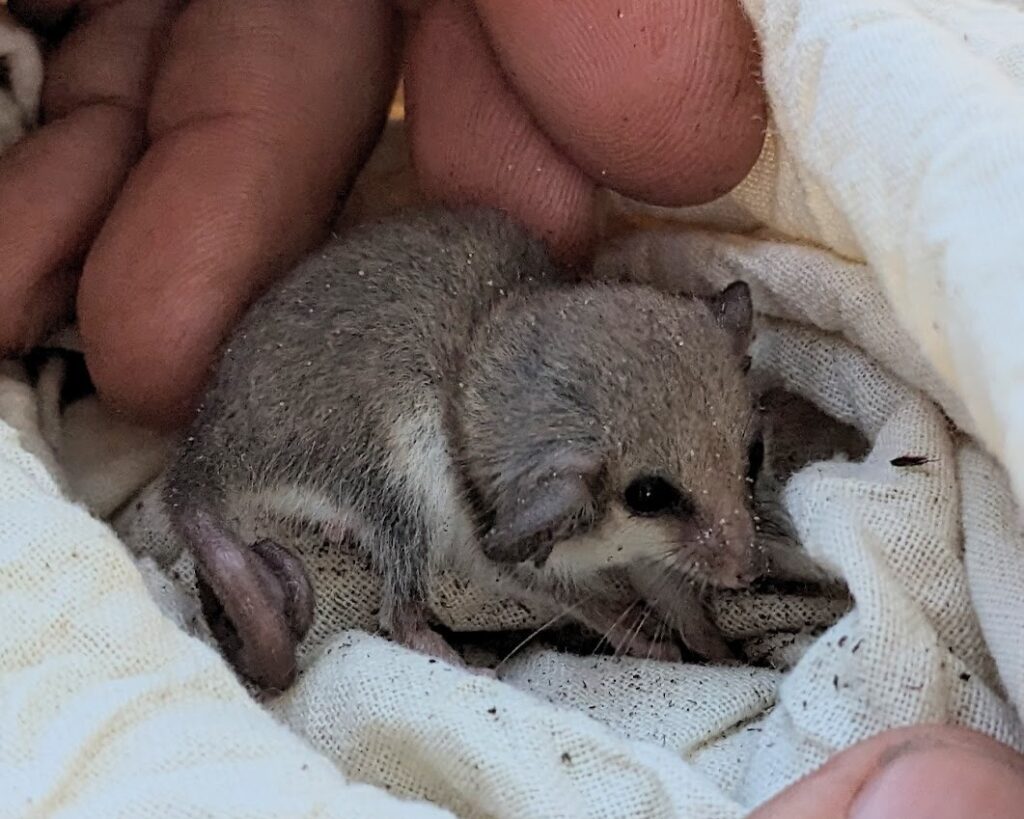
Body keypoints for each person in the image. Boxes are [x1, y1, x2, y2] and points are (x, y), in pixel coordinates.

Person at [1, 2, 1021, 814]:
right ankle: (404, 615)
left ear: (730, 336)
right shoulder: (537, 485)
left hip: (429, 316)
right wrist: (622, 618)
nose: (735, 550)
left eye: (739, 468)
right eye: (666, 500)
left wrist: (681, 591)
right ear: (576, 483)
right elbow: (504, 544)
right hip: (331, 394)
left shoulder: (656, 381)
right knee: (417, 489)